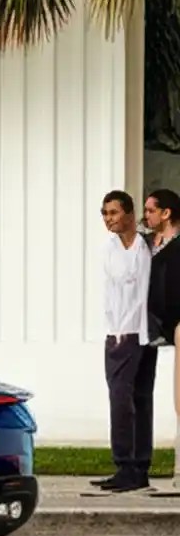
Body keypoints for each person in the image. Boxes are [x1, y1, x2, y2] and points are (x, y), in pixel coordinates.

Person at [93, 190, 153, 493]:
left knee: (140, 400)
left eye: (113, 213)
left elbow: (146, 290)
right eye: (105, 214)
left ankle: (138, 468)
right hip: (120, 333)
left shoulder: (146, 245)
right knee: (120, 399)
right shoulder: (109, 249)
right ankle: (124, 466)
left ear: (129, 214)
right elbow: (115, 292)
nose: (108, 219)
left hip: (144, 334)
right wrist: (114, 333)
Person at [142, 188, 180, 492]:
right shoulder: (148, 244)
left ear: (166, 213)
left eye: (150, 210)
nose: (146, 216)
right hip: (157, 329)